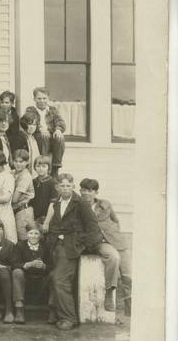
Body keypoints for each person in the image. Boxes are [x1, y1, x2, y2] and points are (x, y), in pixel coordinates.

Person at [78, 178, 132, 315]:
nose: (86, 193)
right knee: (113, 257)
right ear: (80, 191)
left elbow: (115, 220)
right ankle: (109, 292)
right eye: (83, 190)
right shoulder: (78, 206)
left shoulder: (105, 204)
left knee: (127, 272)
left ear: (96, 192)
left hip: (113, 239)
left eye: (90, 191)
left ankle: (129, 303)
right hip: (94, 242)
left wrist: (113, 232)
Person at [12, 224, 51, 323]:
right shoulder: (20, 245)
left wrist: (44, 266)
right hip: (25, 278)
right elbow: (14, 264)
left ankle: (53, 310)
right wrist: (28, 264)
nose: (33, 236)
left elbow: (51, 264)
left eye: (36, 233)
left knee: (54, 275)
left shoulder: (45, 246)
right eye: (31, 233)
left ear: (40, 235)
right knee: (17, 272)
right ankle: (19, 309)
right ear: (26, 234)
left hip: (41, 279)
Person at [24, 86, 67, 173]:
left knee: (60, 137)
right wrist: (40, 128)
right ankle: (44, 165)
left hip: (51, 135)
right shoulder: (31, 110)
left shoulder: (52, 110)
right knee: (44, 136)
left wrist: (58, 130)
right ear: (34, 99)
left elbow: (60, 121)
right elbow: (30, 120)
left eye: (44, 98)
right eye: (39, 98)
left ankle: (55, 167)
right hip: (39, 135)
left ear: (48, 99)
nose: (42, 101)